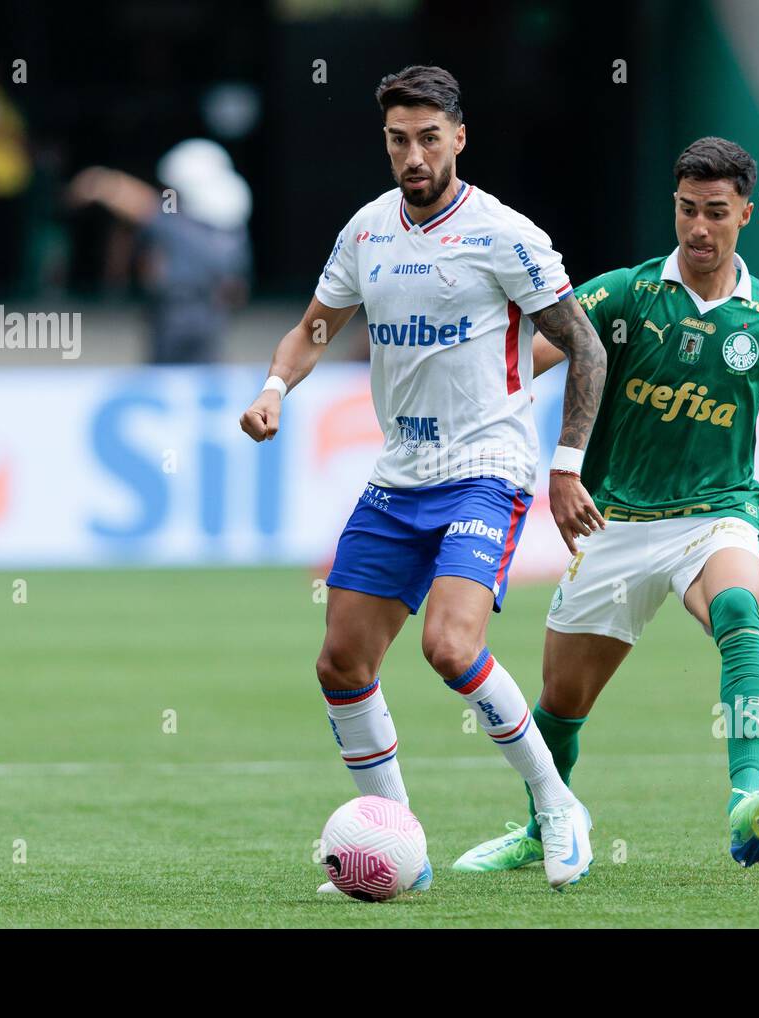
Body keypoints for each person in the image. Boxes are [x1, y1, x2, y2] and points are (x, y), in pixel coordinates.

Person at [453, 137, 759, 875]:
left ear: (746, 213)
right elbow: (525, 358)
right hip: (614, 523)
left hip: (717, 516)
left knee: (738, 613)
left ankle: (745, 798)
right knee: (561, 700)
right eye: (687, 210)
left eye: (716, 212)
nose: (698, 228)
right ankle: (539, 829)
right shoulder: (623, 295)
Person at [238, 66, 608, 891]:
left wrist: (565, 463)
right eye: (399, 139)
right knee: (340, 663)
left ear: (459, 138)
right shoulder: (367, 232)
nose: (413, 154)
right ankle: (399, 847)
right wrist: (272, 390)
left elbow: (584, 344)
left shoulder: (505, 234)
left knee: (450, 645)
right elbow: (312, 328)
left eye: (429, 138)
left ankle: (555, 805)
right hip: (399, 476)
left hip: (486, 470)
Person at [67, 139, 251, 363]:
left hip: (178, 316)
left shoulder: (181, 224)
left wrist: (100, 181)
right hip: (210, 316)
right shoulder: (231, 231)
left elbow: (141, 204)